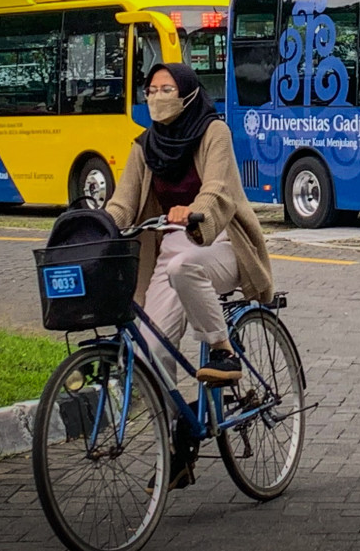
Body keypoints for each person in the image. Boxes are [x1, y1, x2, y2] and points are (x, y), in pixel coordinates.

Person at [104, 62, 274, 388]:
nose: (157, 98)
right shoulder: (145, 146)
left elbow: (216, 189)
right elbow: (122, 204)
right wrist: (96, 225)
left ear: (188, 94)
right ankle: (169, 428)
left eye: (167, 90)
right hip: (169, 251)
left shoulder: (214, 132)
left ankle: (223, 352)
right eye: (151, 91)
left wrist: (194, 212)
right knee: (149, 350)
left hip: (221, 242)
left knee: (185, 268)